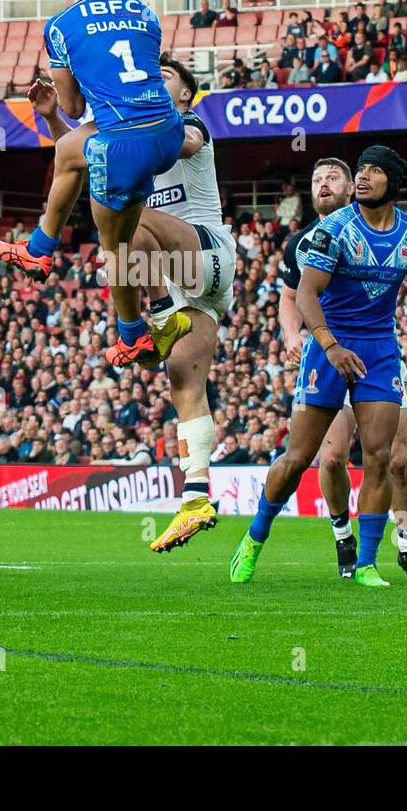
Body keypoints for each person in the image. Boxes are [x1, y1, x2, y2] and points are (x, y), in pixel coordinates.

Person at [230, 145, 407, 588]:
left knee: (381, 457)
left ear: (393, 182)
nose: (363, 177)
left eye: (374, 171)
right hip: (327, 347)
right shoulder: (331, 230)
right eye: (361, 170)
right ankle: (254, 538)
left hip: (378, 349)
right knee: (299, 458)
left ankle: (368, 563)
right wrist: (329, 345)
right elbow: (306, 295)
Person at [0, 0, 193, 368]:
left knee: (115, 248)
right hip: (166, 131)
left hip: (123, 144)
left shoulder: (62, 25)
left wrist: (59, 98)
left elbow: (75, 105)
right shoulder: (146, 13)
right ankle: (40, 249)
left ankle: (132, 336)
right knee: (68, 152)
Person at [276, 158, 407, 580]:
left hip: (380, 352)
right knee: (329, 458)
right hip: (329, 356)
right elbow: (292, 297)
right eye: (315, 178)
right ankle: (345, 538)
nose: (322, 184)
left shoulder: (401, 231)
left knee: (395, 460)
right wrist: (294, 335)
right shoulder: (301, 243)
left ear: (351, 188)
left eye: (332, 178)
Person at [131, 55, 239, 552]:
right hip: (187, 283)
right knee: (185, 384)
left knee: (125, 213)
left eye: (166, 77)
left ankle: (155, 321)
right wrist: (51, 118)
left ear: (185, 95)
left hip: (209, 252)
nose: (157, 81)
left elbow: (188, 140)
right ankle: (196, 497)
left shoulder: (190, 123)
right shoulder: (145, 144)